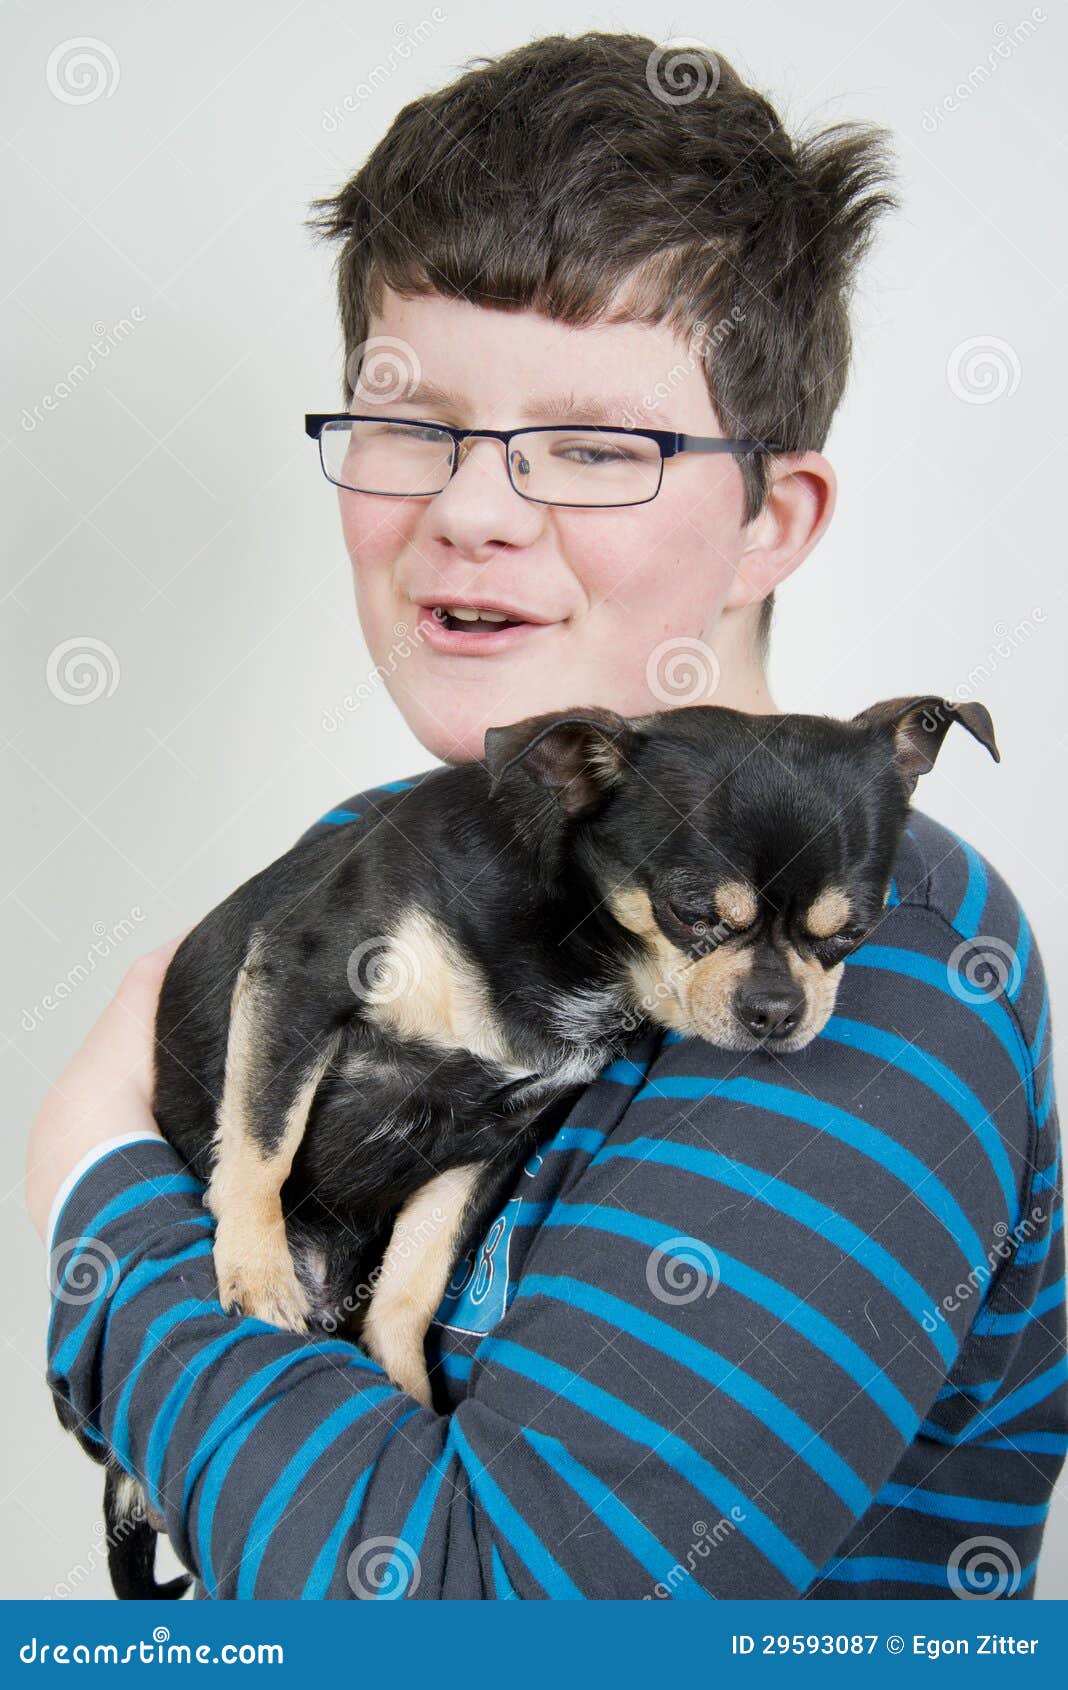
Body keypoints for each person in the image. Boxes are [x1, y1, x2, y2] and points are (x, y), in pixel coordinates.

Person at [28, 33, 1064, 1601]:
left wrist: (96, 1182)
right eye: (409, 423)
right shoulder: (393, 845)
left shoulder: (899, 953)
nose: (472, 508)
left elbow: (485, 1616)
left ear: (771, 518)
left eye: (592, 445)